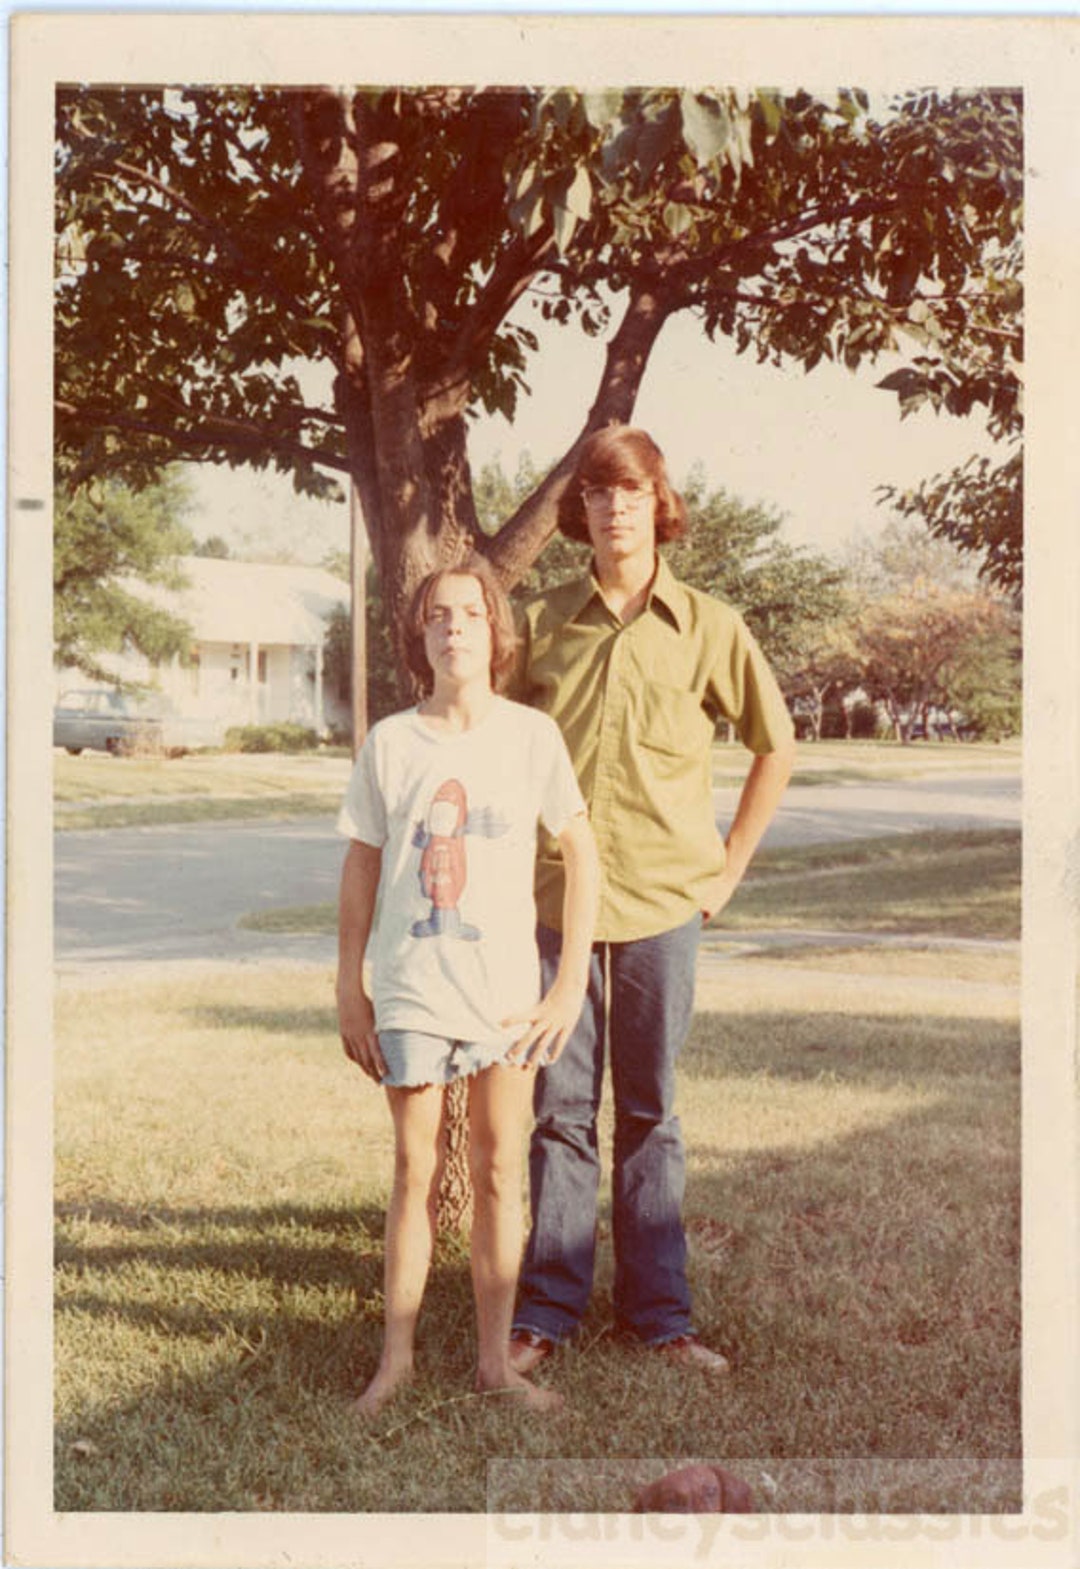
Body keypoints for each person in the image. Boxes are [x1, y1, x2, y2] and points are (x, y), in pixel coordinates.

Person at [508, 425, 796, 1378]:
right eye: (598, 491)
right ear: (579, 509)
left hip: (666, 906)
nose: (616, 507)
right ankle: (543, 1312)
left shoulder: (711, 625)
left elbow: (776, 745)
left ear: (659, 505)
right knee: (557, 1111)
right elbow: (496, 747)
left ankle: (659, 1318)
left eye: (632, 492)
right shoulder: (542, 623)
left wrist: (727, 870)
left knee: (651, 1111)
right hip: (554, 909)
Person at [336, 554, 599, 1417]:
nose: (455, 627)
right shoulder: (391, 741)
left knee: (497, 1171)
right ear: (420, 635)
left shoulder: (530, 736)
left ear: (498, 632)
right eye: (439, 615)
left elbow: (582, 854)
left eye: (472, 614)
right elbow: (363, 863)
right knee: (415, 1167)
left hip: (505, 997)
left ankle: (497, 1364)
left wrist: (564, 991)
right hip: (412, 988)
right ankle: (397, 1362)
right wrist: (350, 984)